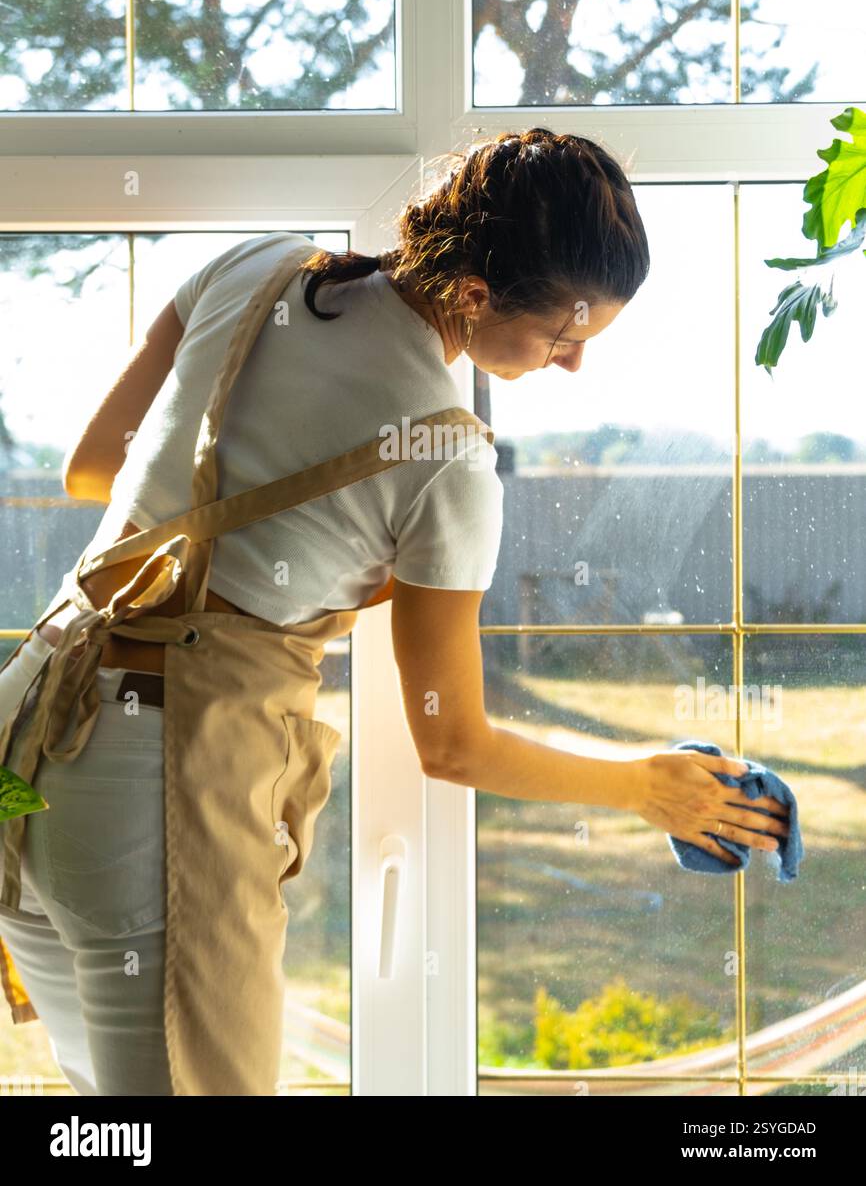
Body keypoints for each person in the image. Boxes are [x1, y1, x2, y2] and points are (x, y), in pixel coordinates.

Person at [0, 126, 789, 1095]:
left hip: (33, 737)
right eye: (560, 337)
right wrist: (643, 786)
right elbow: (450, 743)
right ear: (472, 294)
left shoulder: (254, 265)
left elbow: (93, 471)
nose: (572, 364)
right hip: (158, 798)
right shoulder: (449, 460)